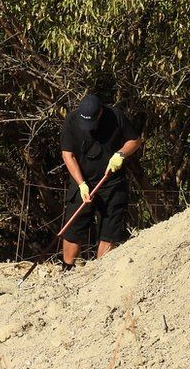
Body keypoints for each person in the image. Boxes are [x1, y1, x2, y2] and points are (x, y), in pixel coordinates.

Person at [59, 93, 142, 268]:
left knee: (109, 232)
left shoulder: (116, 116)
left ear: (100, 113)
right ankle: (66, 270)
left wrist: (121, 154)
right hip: (81, 182)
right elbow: (68, 155)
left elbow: (134, 140)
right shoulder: (71, 120)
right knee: (73, 229)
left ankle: (99, 273)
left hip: (111, 182)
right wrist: (81, 184)